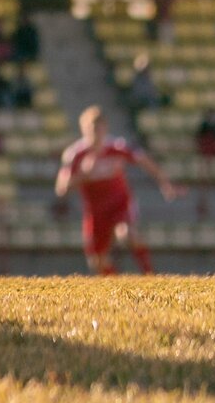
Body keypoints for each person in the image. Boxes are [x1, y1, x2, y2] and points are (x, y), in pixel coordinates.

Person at [56, 105, 179, 275]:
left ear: (105, 128)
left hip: (119, 204)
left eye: (99, 129)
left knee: (127, 234)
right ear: (83, 130)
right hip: (95, 211)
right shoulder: (75, 155)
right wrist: (84, 175)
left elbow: (144, 160)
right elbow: (61, 189)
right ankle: (117, 288)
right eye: (92, 130)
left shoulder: (117, 147)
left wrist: (164, 183)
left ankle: (150, 276)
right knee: (97, 261)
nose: (96, 134)